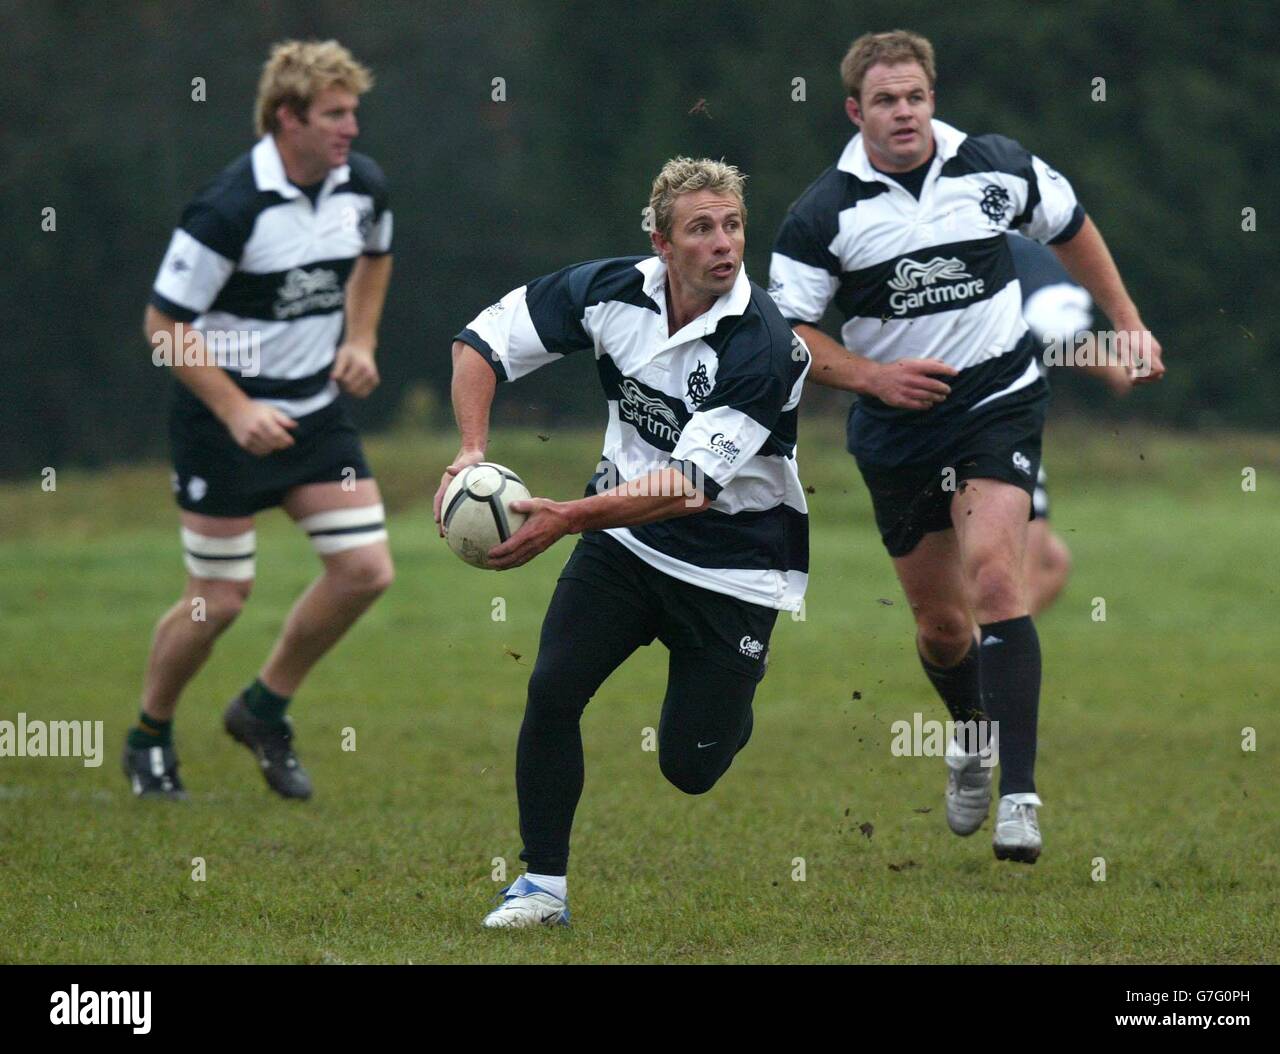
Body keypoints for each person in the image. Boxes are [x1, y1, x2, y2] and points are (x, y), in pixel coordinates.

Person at [768, 30, 1164, 862]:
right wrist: (874, 378)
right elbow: (791, 333)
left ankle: (1019, 795)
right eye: (885, 100)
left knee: (998, 575)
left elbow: (1072, 226)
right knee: (943, 629)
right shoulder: (821, 214)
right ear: (855, 111)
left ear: (932, 99)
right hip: (896, 429)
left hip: (997, 402)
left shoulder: (995, 165)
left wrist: (1126, 324)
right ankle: (971, 735)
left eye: (915, 96)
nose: (903, 112)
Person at [437, 157, 810, 926]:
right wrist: (472, 450)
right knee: (551, 690)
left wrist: (569, 516)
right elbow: (481, 341)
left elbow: (687, 487)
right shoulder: (609, 290)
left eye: (733, 225)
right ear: (661, 242)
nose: (722, 244)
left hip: (733, 568)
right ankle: (543, 888)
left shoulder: (763, 342)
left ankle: (731, 709)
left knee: (690, 767)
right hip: (625, 549)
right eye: (700, 228)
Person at [124, 40, 395, 800]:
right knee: (220, 599)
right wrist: (236, 408)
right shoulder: (228, 207)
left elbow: (376, 257)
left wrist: (362, 339)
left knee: (365, 571)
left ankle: (262, 707)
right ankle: (149, 733)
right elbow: (162, 325)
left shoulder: (362, 187)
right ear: (288, 118)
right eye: (335, 114)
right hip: (221, 423)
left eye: (353, 113)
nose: (351, 128)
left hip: (314, 412)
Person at [1008, 232, 1133, 615]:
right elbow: (1059, 330)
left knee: (1051, 562)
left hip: (922, 434)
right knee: (1014, 589)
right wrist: (1116, 369)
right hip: (1001, 438)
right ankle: (988, 667)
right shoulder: (1025, 252)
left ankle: (978, 661)